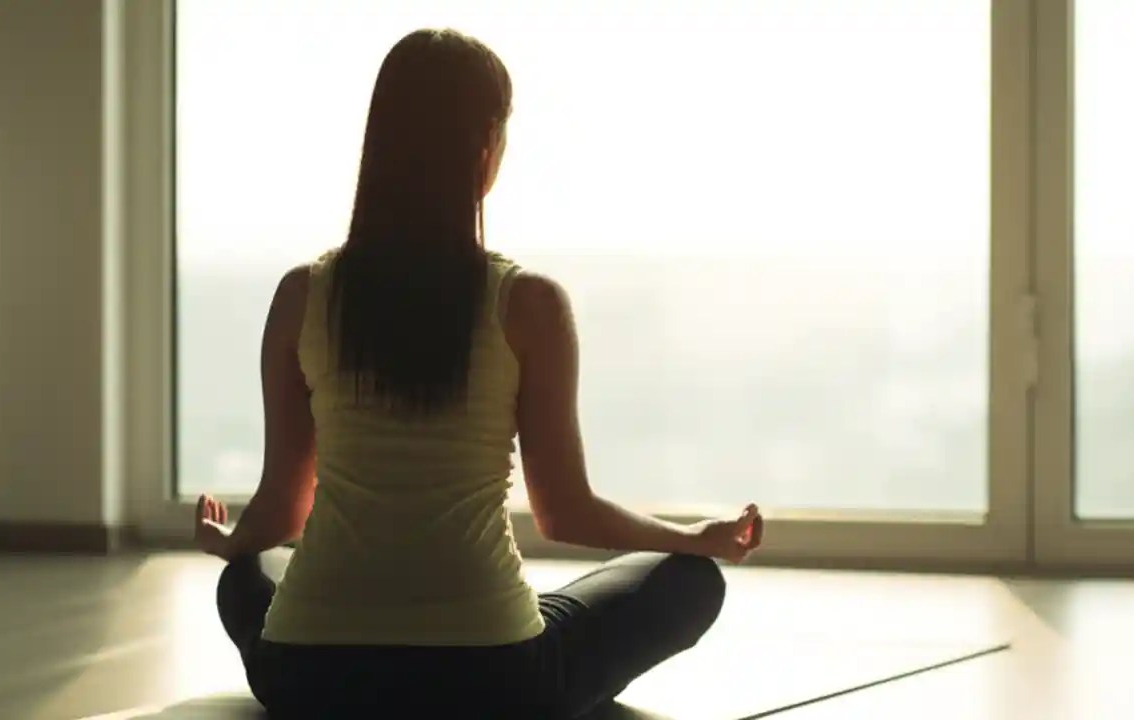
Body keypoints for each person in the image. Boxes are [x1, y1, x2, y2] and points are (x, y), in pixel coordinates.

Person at [191, 28, 764, 719]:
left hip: (308, 677)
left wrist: (228, 543)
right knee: (691, 581)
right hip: (497, 682)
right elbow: (565, 512)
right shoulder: (527, 303)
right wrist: (691, 538)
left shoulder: (300, 296)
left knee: (246, 576)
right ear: (487, 144)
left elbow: (284, 508)